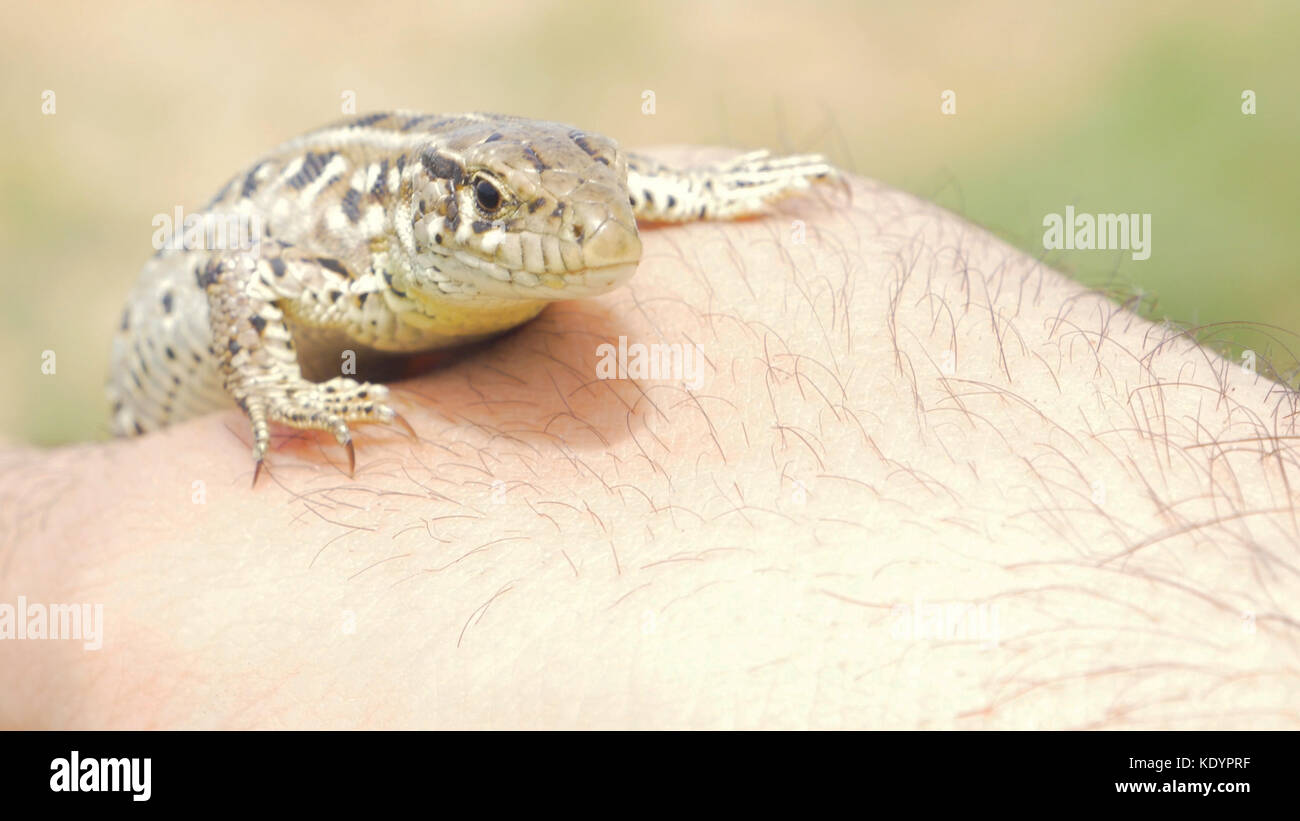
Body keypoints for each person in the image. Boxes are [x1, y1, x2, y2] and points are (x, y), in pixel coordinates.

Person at [1, 150, 1295, 728]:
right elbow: (236, 288)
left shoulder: (567, 206)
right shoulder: (358, 265)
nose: (590, 241)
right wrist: (280, 391)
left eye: (611, 205)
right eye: (510, 212)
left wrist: (704, 194)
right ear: (440, 215)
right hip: (159, 393)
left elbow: (592, 199)